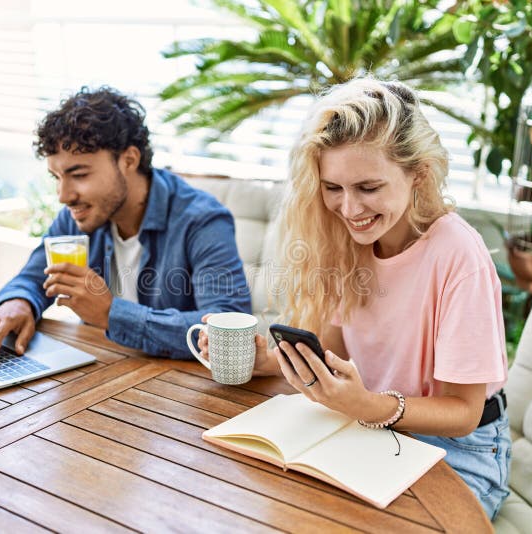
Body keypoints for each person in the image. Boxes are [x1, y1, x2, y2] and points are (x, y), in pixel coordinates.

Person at [198, 77, 510, 519]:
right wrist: (268, 362)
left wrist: (368, 406)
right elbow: (332, 357)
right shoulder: (345, 241)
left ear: (417, 173)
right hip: (371, 430)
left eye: (368, 188)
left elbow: (462, 412)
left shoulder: (458, 253)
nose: (349, 209)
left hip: (460, 451)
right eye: (333, 188)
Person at [0, 86, 251, 360]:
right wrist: (17, 304)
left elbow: (227, 329)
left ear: (129, 160)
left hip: (181, 391)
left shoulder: (201, 220)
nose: (64, 196)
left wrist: (111, 314)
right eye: (57, 177)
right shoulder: (81, 215)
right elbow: (34, 278)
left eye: (79, 174)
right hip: (101, 372)